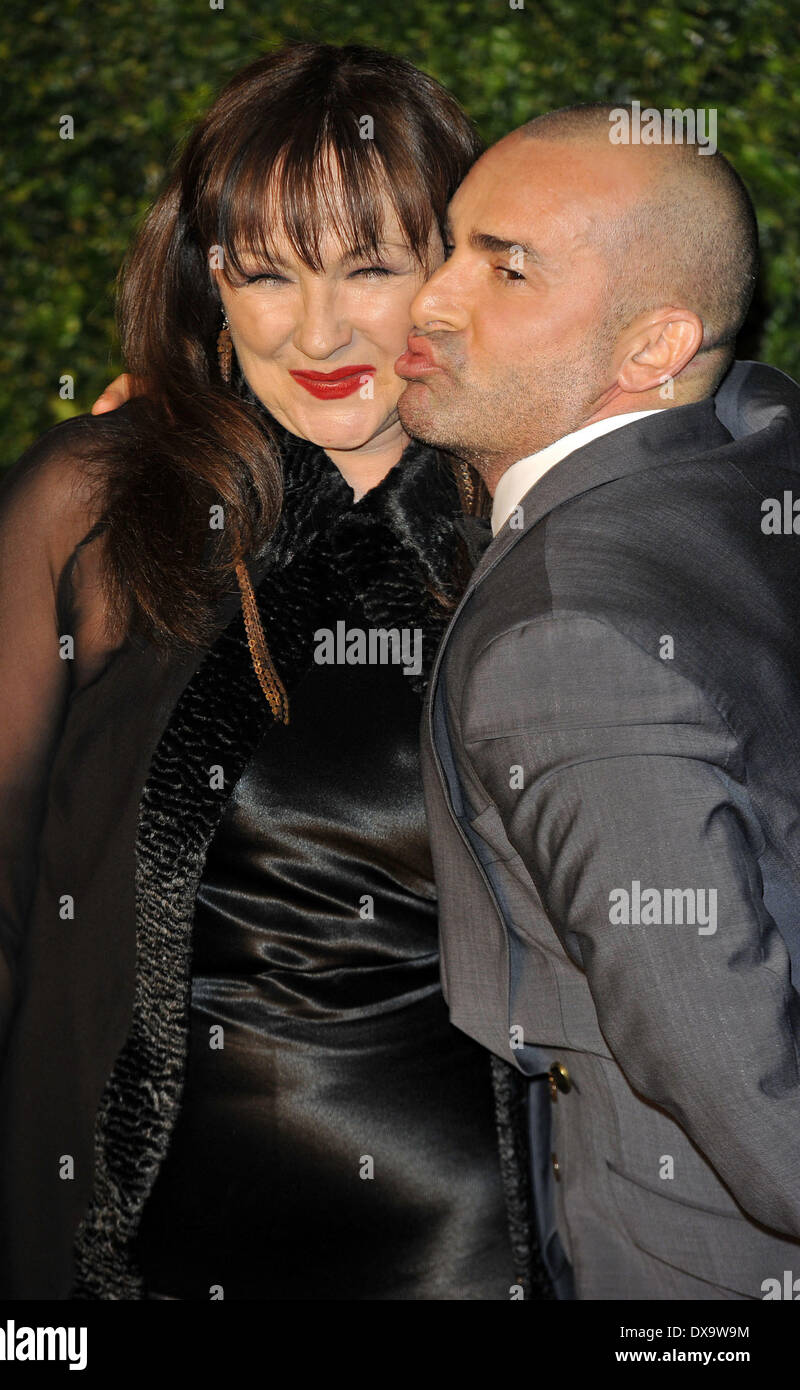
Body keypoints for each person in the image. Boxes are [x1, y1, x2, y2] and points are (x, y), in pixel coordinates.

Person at [0, 43, 545, 1301]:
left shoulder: (545, 517)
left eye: (370, 268)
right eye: (266, 275)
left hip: (468, 1249)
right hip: (130, 1251)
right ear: (211, 286)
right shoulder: (94, 507)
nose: (317, 332)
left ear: (457, 269)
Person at [401, 103, 800, 1299]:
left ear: (650, 349)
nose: (427, 299)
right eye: (449, 244)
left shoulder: (563, 640)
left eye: (505, 267)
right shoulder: (751, 441)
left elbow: (751, 1098)